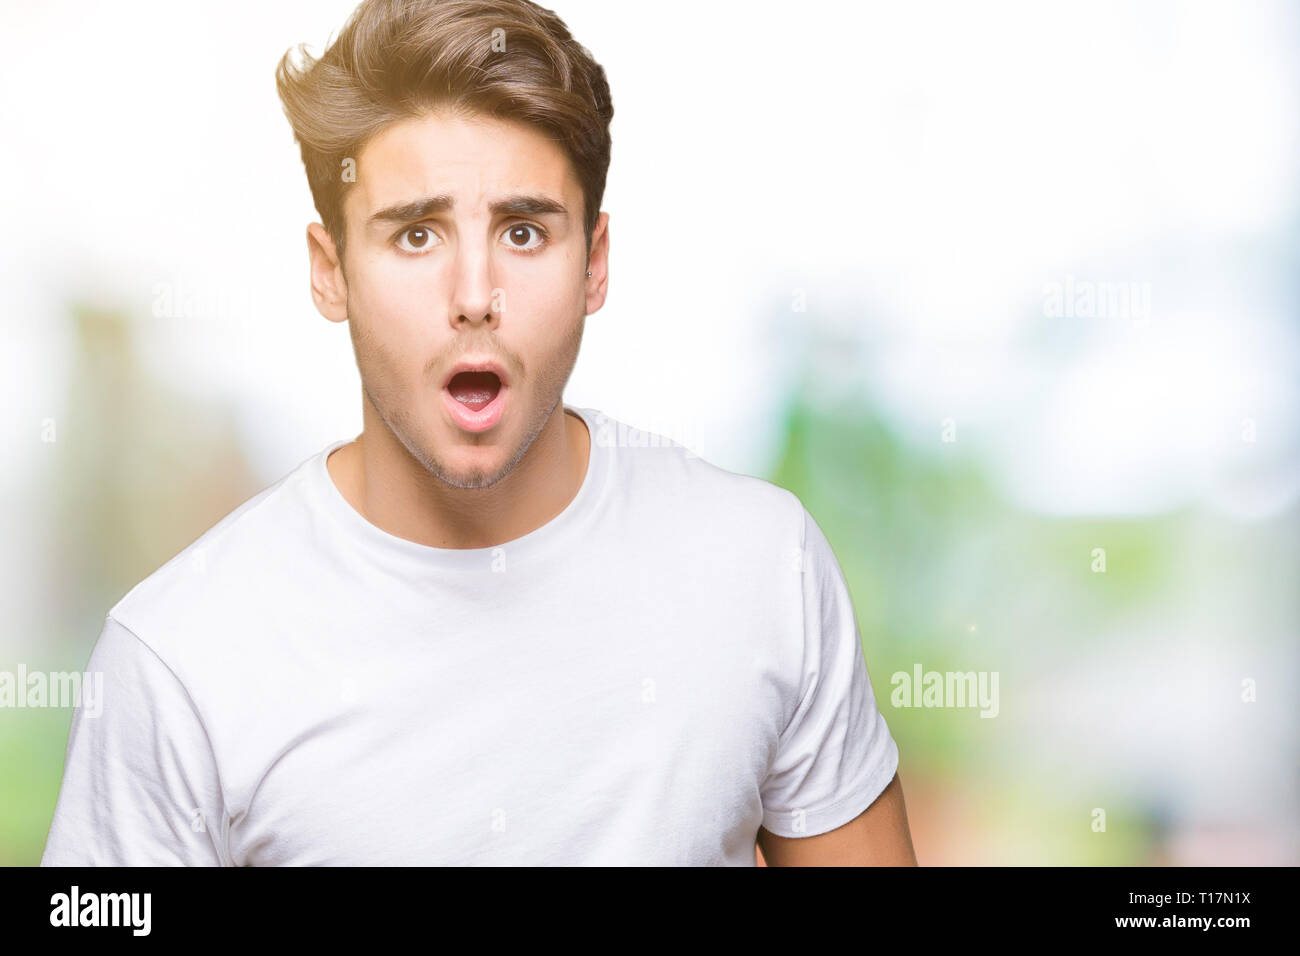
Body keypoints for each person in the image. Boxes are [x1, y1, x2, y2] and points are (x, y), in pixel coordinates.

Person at [40, 0, 916, 866]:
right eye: (416, 233)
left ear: (595, 264)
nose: (473, 293)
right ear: (329, 271)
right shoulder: (180, 656)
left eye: (524, 231)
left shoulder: (763, 567)